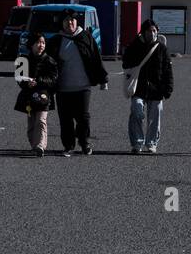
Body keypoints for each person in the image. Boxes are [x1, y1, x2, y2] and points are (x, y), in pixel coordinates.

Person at [51, 10, 109, 155]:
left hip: (83, 86)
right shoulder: (56, 40)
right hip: (63, 87)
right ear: (62, 23)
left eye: (72, 20)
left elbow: (96, 58)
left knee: (83, 118)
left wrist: (103, 79)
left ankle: (85, 143)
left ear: (77, 22)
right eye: (66, 21)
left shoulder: (85, 36)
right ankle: (68, 145)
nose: (69, 23)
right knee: (65, 119)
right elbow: (48, 63)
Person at [122, 19, 173, 154]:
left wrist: (168, 88)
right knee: (137, 113)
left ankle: (151, 143)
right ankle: (137, 143)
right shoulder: (135, 46)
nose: (152, 33)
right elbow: (125, 63)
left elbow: (168, 70)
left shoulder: (162, 48)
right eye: (149, 31)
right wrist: (134, 46)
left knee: (155, 117)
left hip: (157, 89)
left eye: (154, 31)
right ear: (143, 32)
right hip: (138, 87)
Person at [14, 33, 58, 156]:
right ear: (31, 44)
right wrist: (26, 84)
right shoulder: (23, 59)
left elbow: (54, 79)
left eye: (43, 42)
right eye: (38, 42)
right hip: (29, 96)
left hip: (44, 96)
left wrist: (38, 81)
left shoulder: (50, 60)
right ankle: (35, 146)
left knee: (41, 120)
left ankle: (40, 146)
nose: (41, 45)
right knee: (31, 123)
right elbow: (18, 77)